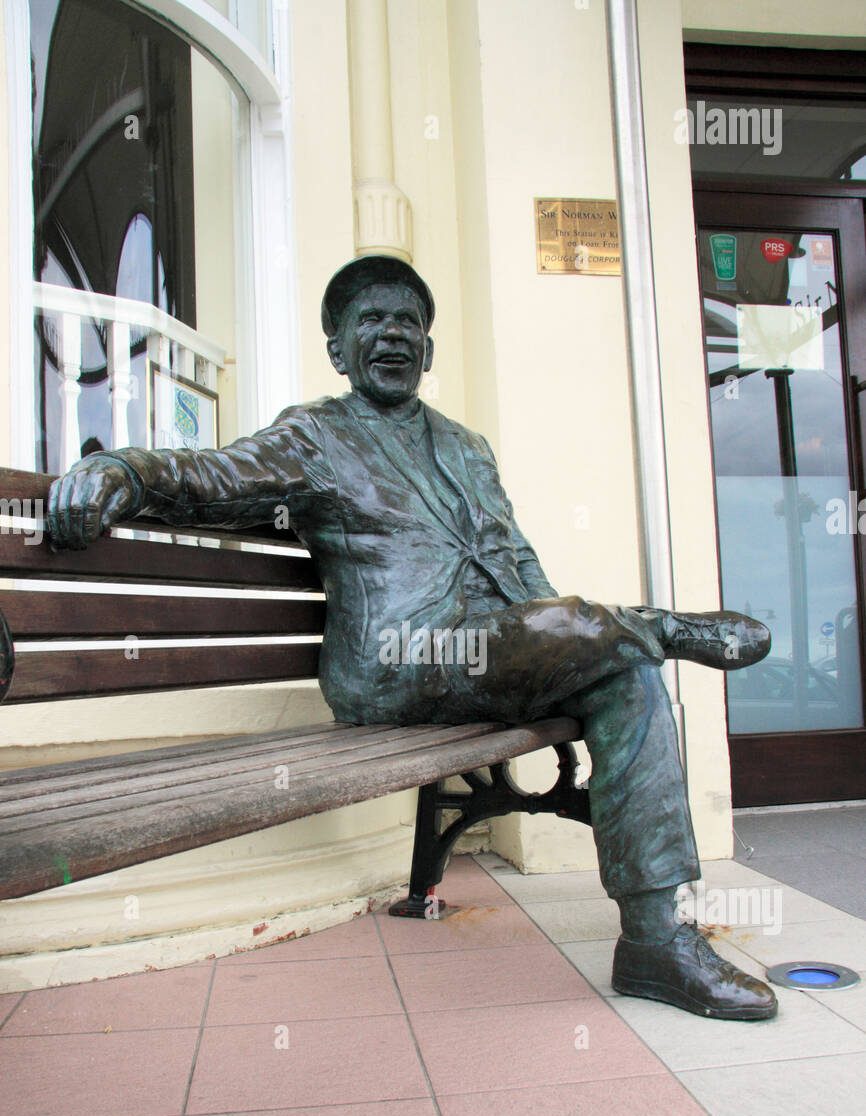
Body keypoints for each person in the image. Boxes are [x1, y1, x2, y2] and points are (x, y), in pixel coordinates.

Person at [48, 254, 778, 1021]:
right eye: (371, 320)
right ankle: (665, 625)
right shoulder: (315, 435)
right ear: (338, 350)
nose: (393, 334)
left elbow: (516, 559)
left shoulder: (468, 446)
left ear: (427, 350)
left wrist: (562, 647)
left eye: (408, 323)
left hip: (490, 656)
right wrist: (124, 470)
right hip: (396, 663)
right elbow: (214, 479)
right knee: (600, 634)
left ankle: (655, 941)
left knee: (626, 677)